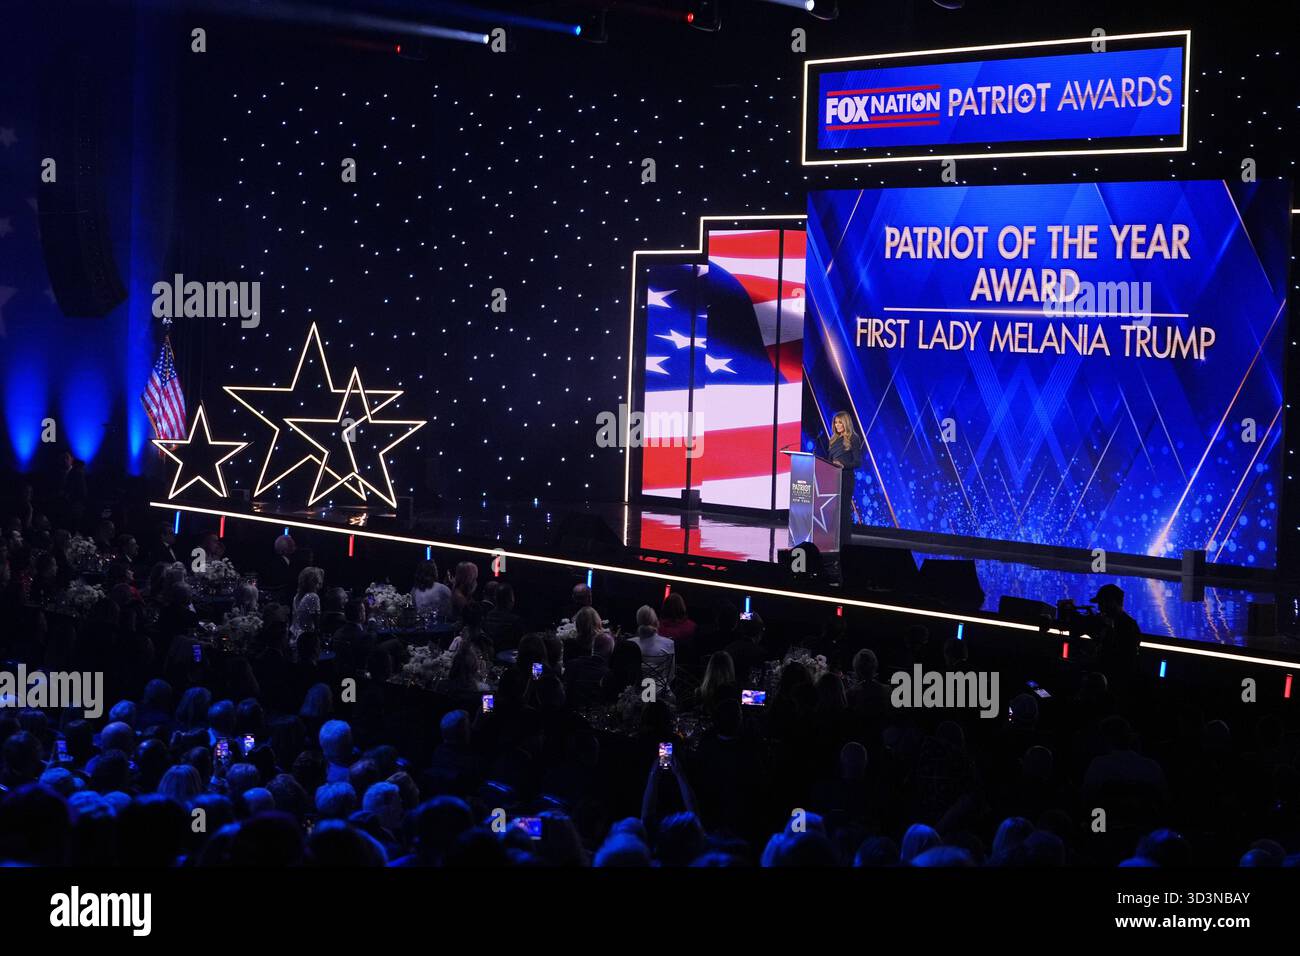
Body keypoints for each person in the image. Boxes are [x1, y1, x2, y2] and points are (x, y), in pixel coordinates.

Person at [826, 410, 863, 546]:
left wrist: (843, 465)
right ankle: (833, 542)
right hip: (832, 479)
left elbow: (858, 462)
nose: (837, 425)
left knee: (844, 512)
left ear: (846, 423)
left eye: (840, 422)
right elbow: (829, 460)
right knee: (833, 512)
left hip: (846, 479)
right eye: (835, 423)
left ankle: (845, 544)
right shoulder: (833, 439)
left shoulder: (854, 438)